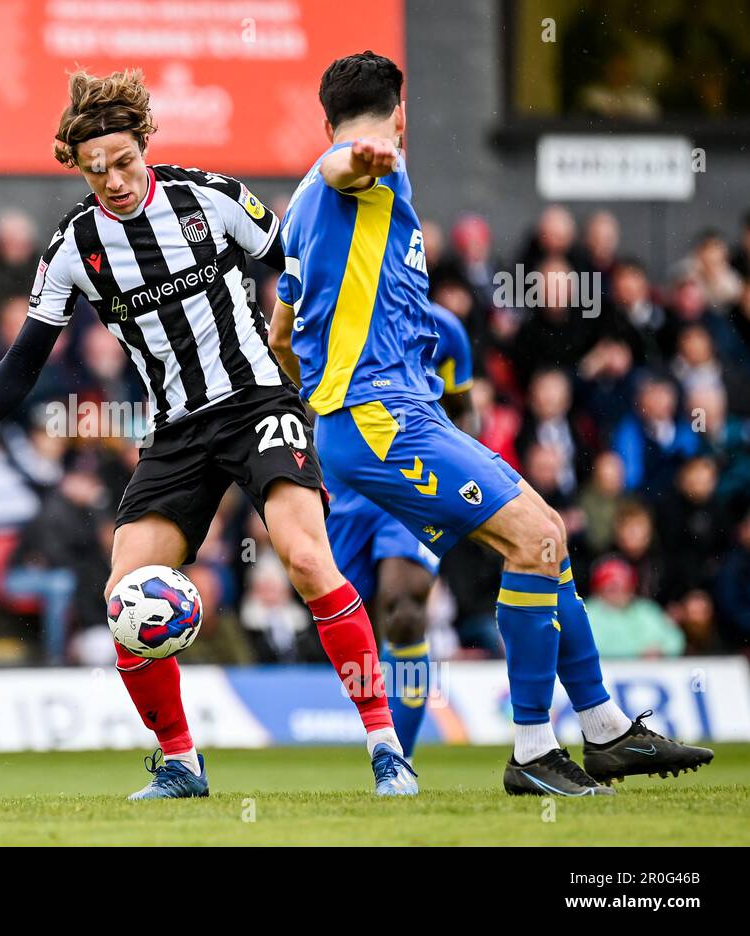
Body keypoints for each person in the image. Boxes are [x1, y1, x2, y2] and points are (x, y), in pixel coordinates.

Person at [0, 68, 417, 798]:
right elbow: (25, 360)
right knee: (125, 598)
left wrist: (309, 340)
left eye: (123, 163)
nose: (115, 181)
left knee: (308, 560)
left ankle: (385, 746)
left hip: (257, 404)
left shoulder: (208, 198)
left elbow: (301, 264)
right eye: (97, 172)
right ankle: (181, 762)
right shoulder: (73, 248)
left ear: (144, 146)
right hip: (176, 431)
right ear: (78, 169)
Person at [269, 51, 712, 795]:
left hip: (379, 419)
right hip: (381, 420)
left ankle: (601, 728)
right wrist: (361, 155)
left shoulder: (304, 218)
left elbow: (279, 334)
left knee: (548, 539)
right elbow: (347, 164)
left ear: (324, 116)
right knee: (533, 541)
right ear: (400, 115)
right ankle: (534, 751)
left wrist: (322, 394)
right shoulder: (357, 173)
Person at [314, 302, 476, 762]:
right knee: (346, 608)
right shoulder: (327, 311)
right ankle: (380, 723)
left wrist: (463, 488)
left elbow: (463, 411)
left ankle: (396, 759)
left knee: (404, 608)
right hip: (344, 480)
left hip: (412, 477)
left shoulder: (445, 330)